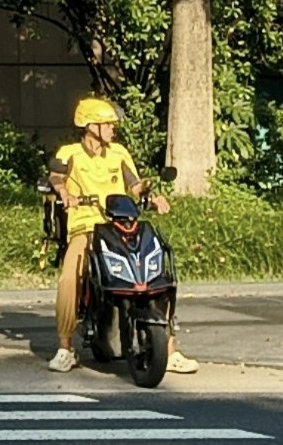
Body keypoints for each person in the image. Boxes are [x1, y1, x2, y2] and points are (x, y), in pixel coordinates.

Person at [46, 96, 196, 372]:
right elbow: (57, 176)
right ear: (91, 126)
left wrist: (151, 195)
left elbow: (134, 184)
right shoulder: (70, 153)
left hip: (122, 225)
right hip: (87, 227)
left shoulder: (119, 153)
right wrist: (64, 193)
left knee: (157, 273)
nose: (113, 129)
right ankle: (65, 347)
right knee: (70, 275)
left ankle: (170, 348)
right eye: (108, 124)